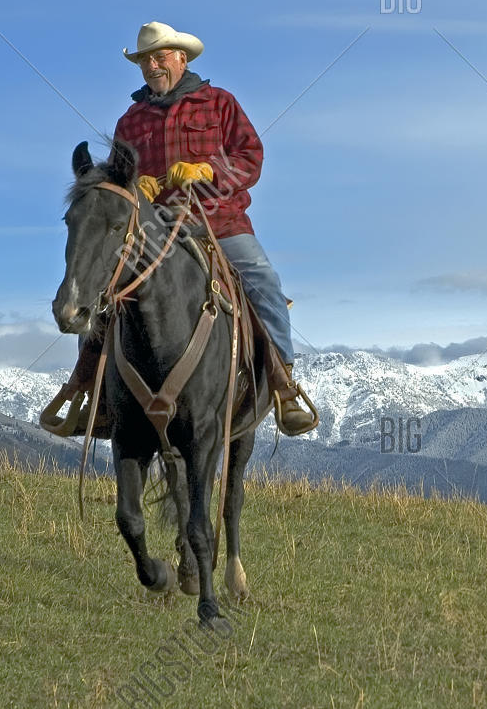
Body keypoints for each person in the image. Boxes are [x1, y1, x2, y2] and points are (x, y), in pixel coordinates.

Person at [50, 21, 317, 438]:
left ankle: (284, 386)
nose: (151, 66)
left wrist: (209, 169)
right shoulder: (130, 122)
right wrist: (137, 186)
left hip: (220, 221)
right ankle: (91, 392)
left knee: (262, 280)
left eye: (159, 57)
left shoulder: (220, 104)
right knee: (103, 284)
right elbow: (121, 185)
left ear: (182, 58)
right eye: (144, 60)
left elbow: (250, 158)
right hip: (153, 228)